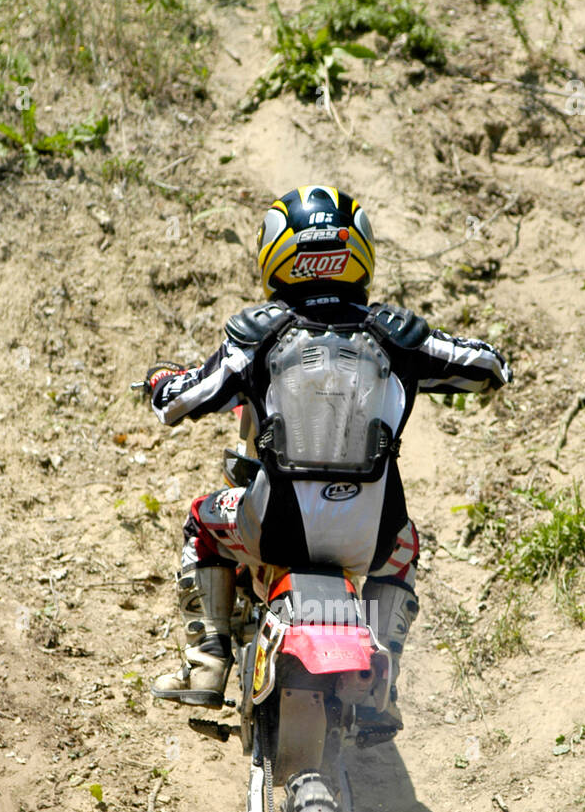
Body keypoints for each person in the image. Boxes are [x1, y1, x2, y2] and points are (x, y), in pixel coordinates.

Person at [142, 184, 512, 730]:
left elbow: (178, 403)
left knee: (202, 519)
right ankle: (379, 679)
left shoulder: (256, 337)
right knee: (406, 545)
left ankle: (207, 665)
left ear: (276, 255)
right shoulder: (397, 337)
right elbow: (489, 367)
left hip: (277, 527)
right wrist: (419, 339)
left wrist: (160, 382)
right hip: (373, 536)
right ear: (358, 252)